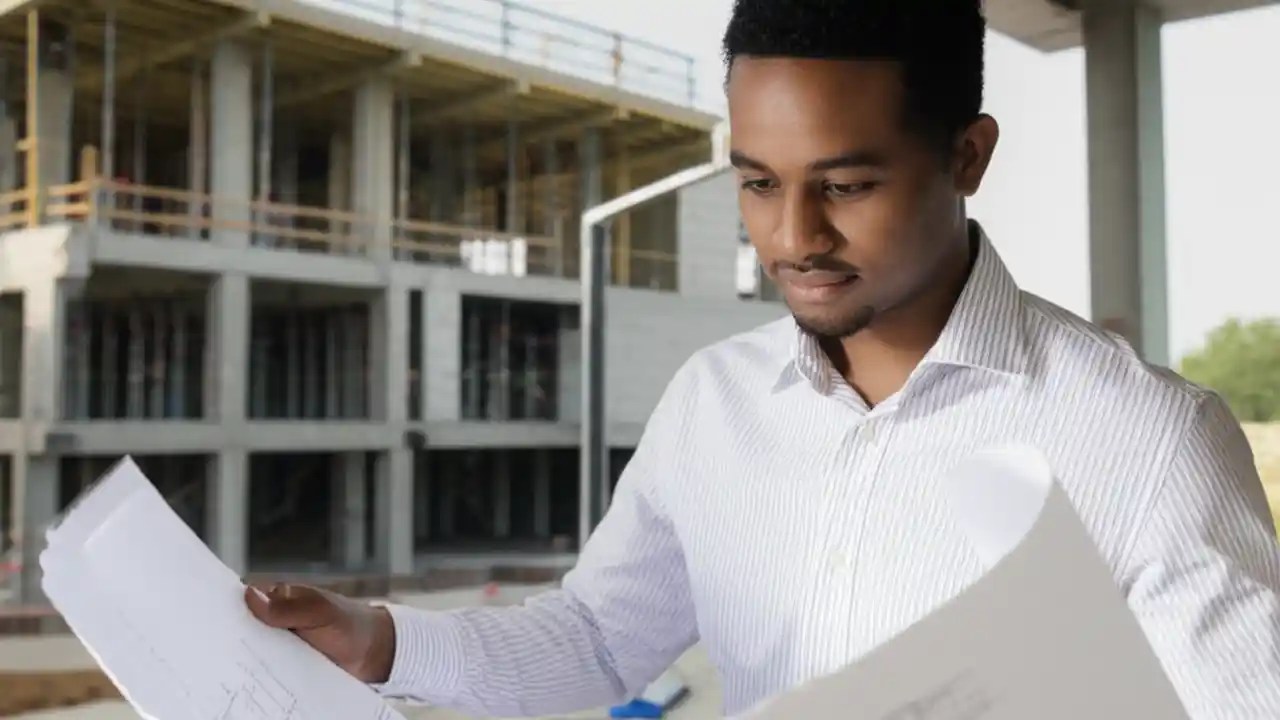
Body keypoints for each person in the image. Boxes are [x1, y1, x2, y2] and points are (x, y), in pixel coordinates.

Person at [245, 1, 1280, 717]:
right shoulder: (713, 402)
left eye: (844, 186)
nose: (791, 239)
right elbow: (601, 640)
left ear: (965, 155)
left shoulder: (1144, 438)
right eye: (754, 183)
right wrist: (380, 642)